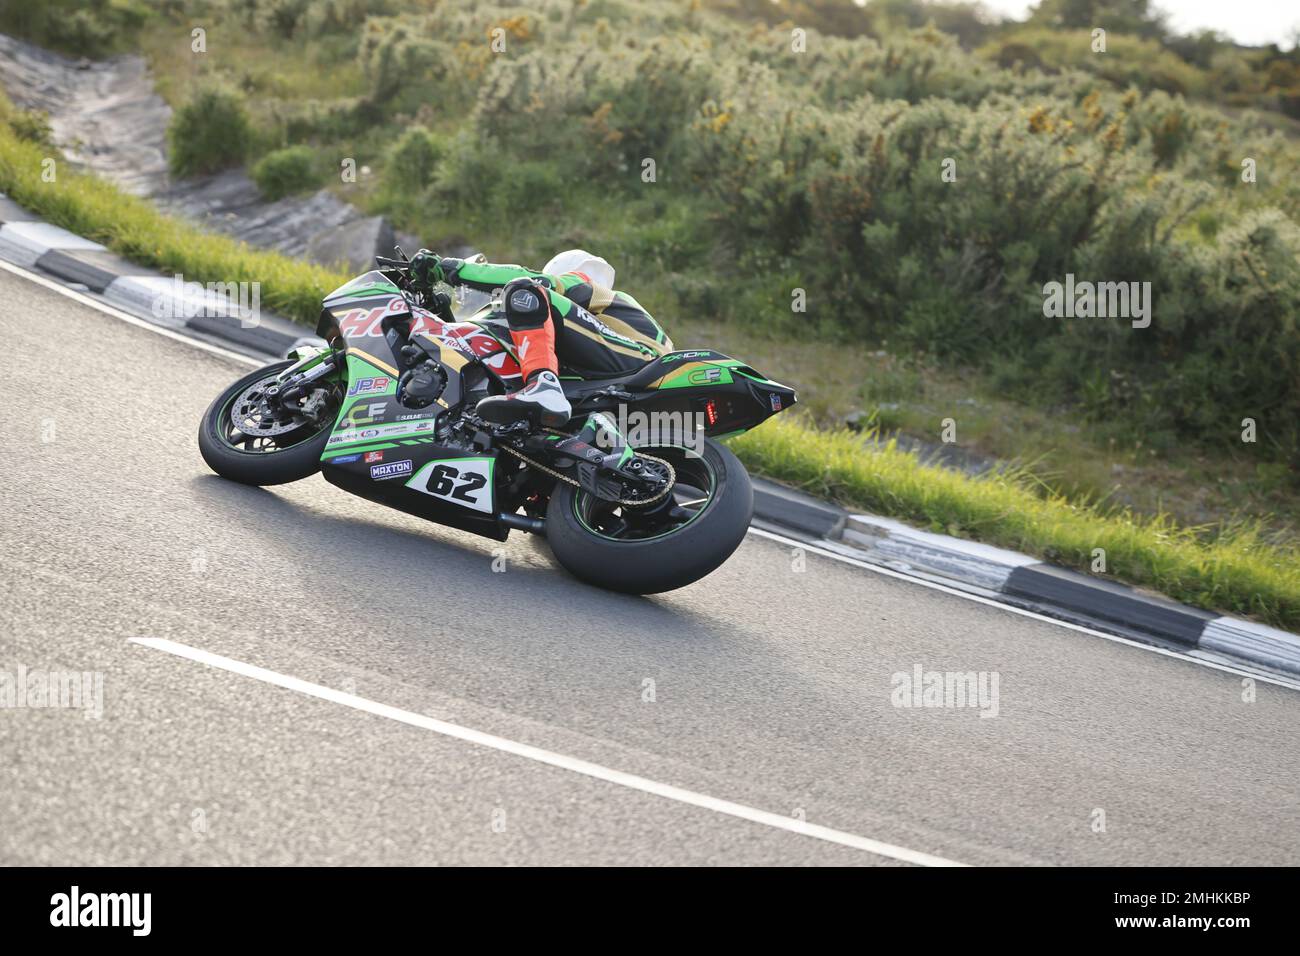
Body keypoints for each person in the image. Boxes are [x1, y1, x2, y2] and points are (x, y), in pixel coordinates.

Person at [410, 249, 673, 426]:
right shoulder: (604, 316)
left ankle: (543, 386)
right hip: (631, 370)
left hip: (638, 360)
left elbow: (532, 282)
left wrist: (452, 269)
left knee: (525, 289)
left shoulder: (583, 285)